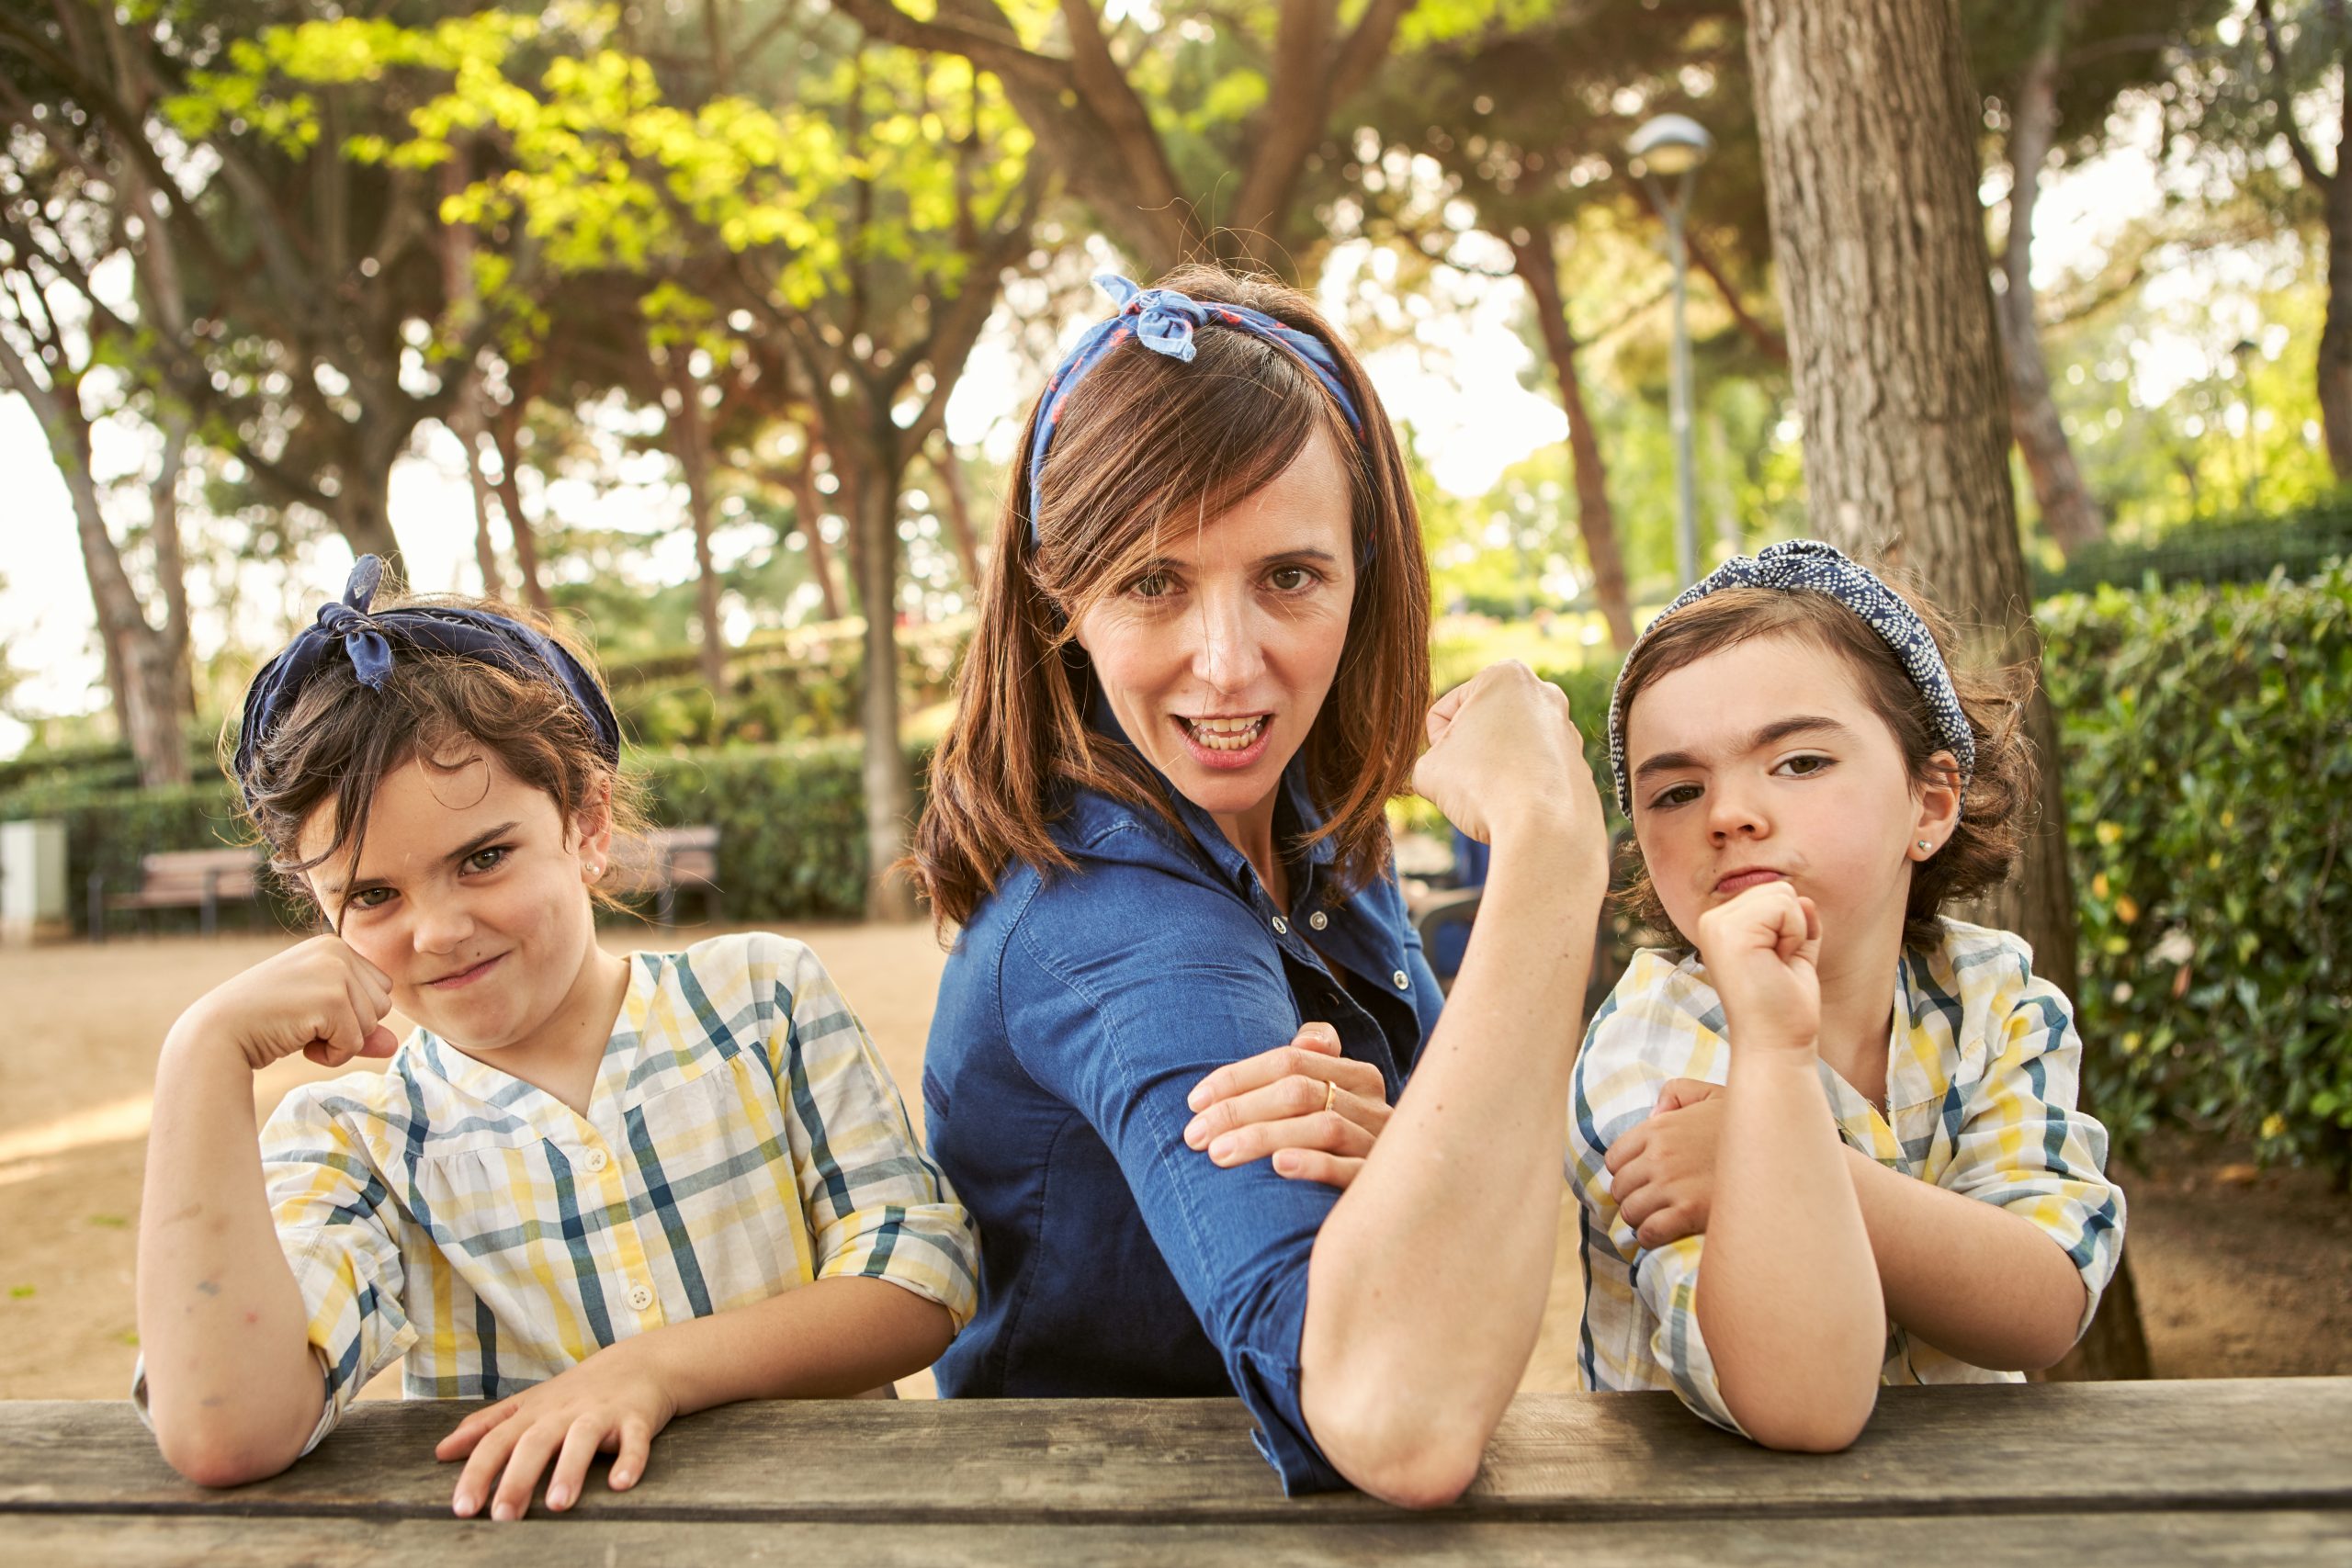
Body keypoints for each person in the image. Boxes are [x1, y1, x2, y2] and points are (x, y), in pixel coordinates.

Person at [907, 267, 1611, 1506]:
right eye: (1151, 582)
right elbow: (1398, 1420)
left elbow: (1446, 1201)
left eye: (1289, 576)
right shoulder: (1118, 933)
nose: (1228, 667)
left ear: (1366, 573)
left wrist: (1409, 1165)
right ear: (1057, 596)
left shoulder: (1311, 829)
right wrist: (1553, 847)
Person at [134, 558, 978, 1518]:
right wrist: (200, 1053)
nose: (438, 930)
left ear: (586, 824)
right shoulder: (353, 1134)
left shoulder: (759, 999)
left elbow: (919, 1280)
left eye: (483, 858)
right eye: (373, 896)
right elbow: (225, 1431)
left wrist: (651, 1372)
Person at [1568, 539, 2127, 1450]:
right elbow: (1799, 1402)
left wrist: (1787, 1166)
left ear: (1930, 801)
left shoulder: (1999, 998)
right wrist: (1779, 1062)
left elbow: (2045, 1305)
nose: (1727, 814)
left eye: (1798, 763)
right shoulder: (1645, 1043)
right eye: (1675, 790)